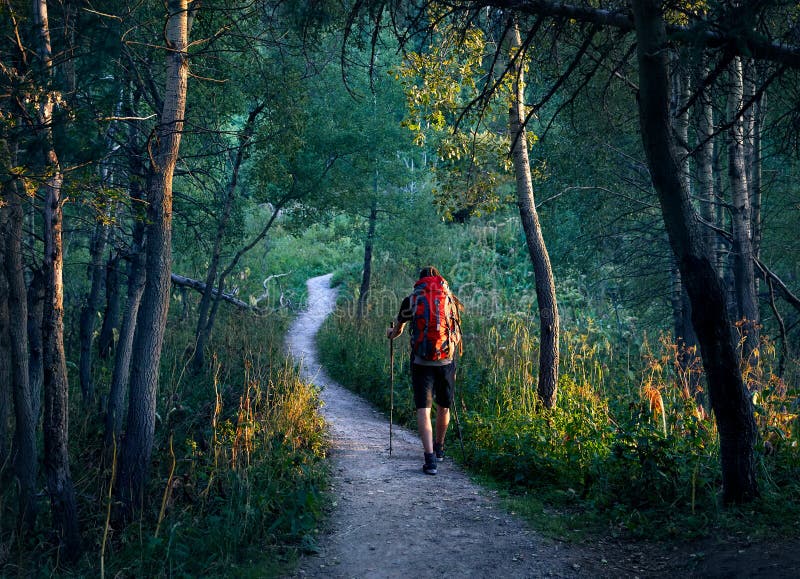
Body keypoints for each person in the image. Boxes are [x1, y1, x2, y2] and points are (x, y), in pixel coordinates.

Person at [387, 266, 462, 475]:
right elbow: (456, 331)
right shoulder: (449, 299)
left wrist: (390, 332)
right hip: (446, 361)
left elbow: (397, 331)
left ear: (420, 281)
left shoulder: (411, 300)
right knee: (443, 407)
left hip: (421, 362)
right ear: (439, 279)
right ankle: (439, 448)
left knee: (424, 409)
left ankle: (429, 460)